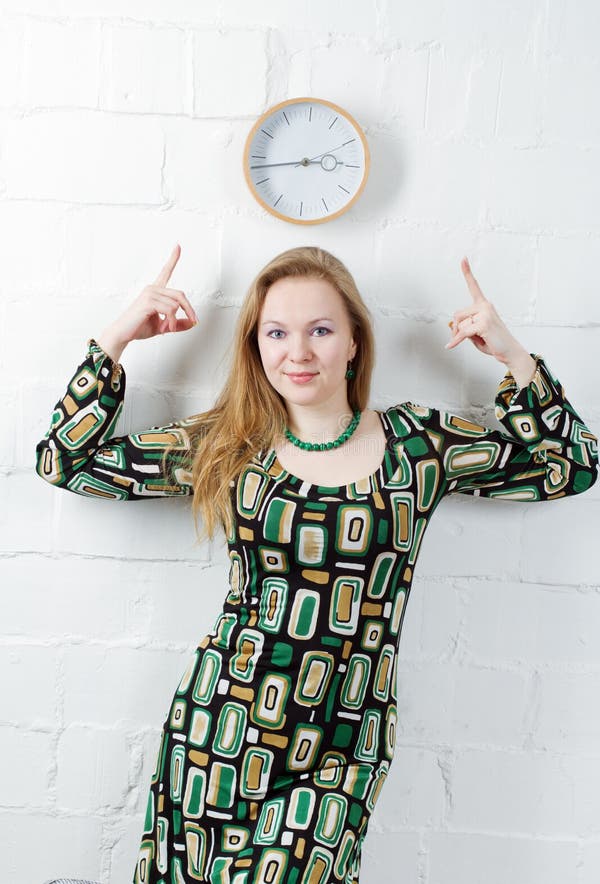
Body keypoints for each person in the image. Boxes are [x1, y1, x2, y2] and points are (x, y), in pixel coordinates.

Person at [35, 245, 599, 884]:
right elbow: (65, 460)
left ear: (355, 341)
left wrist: (513, 357)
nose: (297, 352)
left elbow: (569, 466)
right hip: (224, 728)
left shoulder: (418, 447)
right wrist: (119, 336)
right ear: (256, 345)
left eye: (321, 330)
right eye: (276, 332)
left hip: (347, 735)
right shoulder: (229, 444)